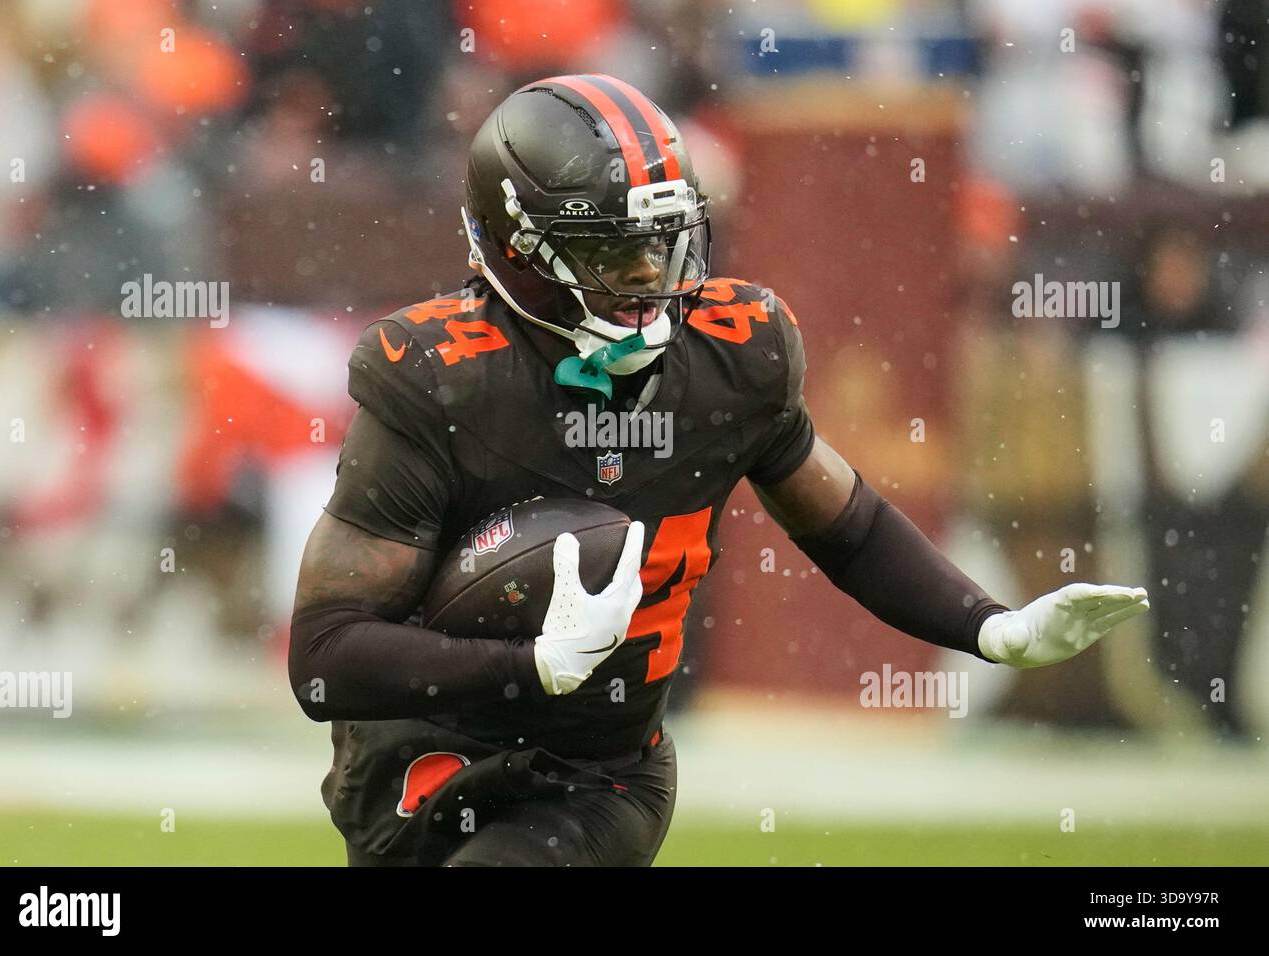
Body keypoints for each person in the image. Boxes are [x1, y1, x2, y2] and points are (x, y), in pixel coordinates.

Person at [287, 74, 1150, 866]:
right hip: (420, 756)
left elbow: (847, 528)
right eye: (611, 253)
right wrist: (531, 665)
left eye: (661, 244)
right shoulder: (440, 380)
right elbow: (325, 658)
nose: (647, 280)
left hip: (600, 772)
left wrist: (990, 628)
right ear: (520, 254)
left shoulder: (732, 357)